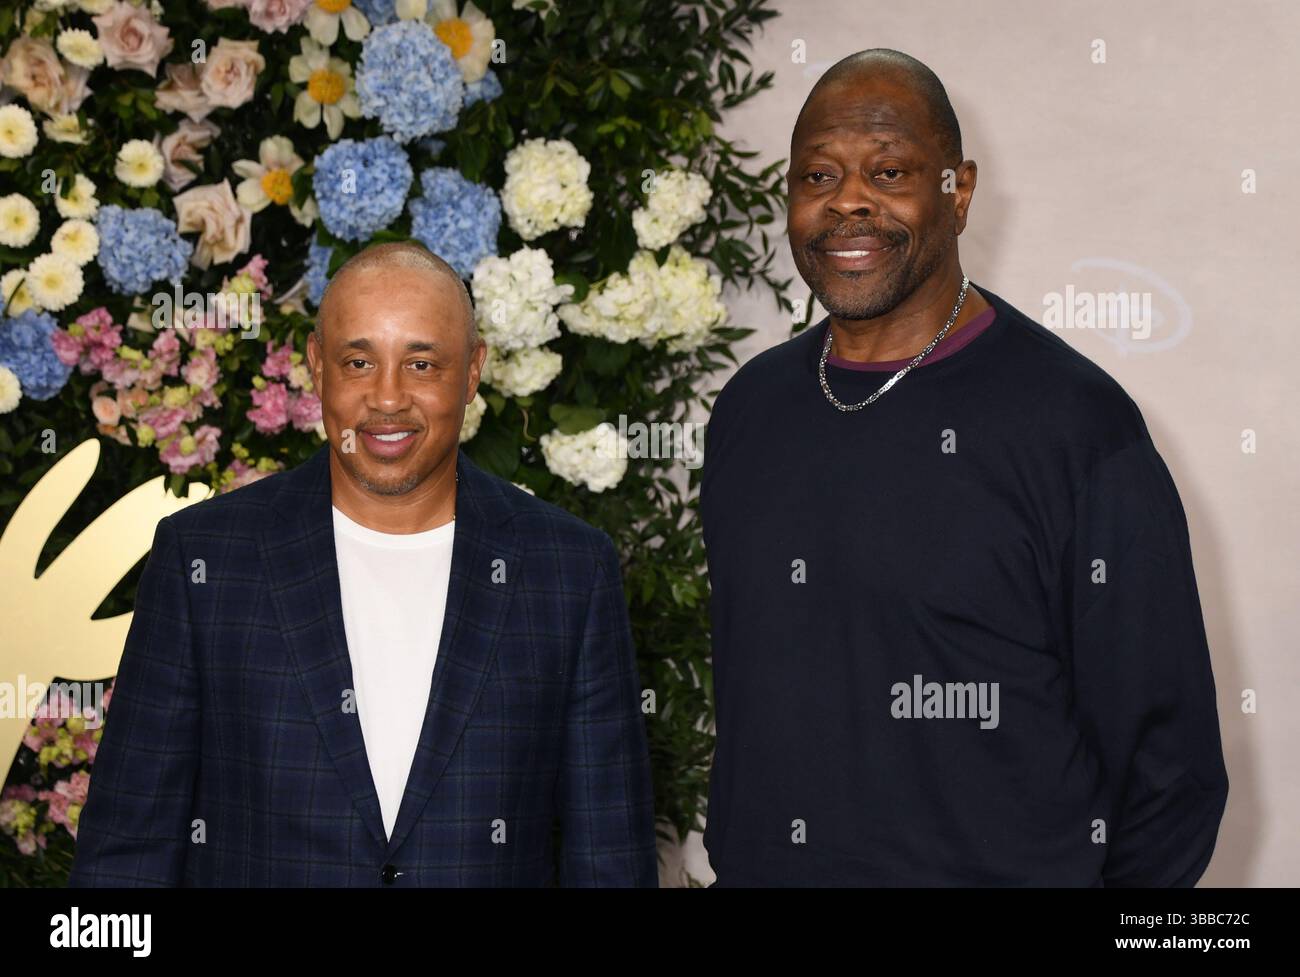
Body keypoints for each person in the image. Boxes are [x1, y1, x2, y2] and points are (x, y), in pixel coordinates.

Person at [700, 49, 1229, 886]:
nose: (848, 201)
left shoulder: (1078, 426)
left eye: (890, 170)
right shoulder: (749, 411)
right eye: (817, 175)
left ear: (960, 190)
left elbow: (1172, 770)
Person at [70, 241, 658, 887]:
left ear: (471, 371)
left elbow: (609, 860)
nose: (387, 399)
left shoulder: (569, 572)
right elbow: (125, 856)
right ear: (318, 367)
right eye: (359, 361)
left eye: (422, 363)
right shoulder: (205, 561)